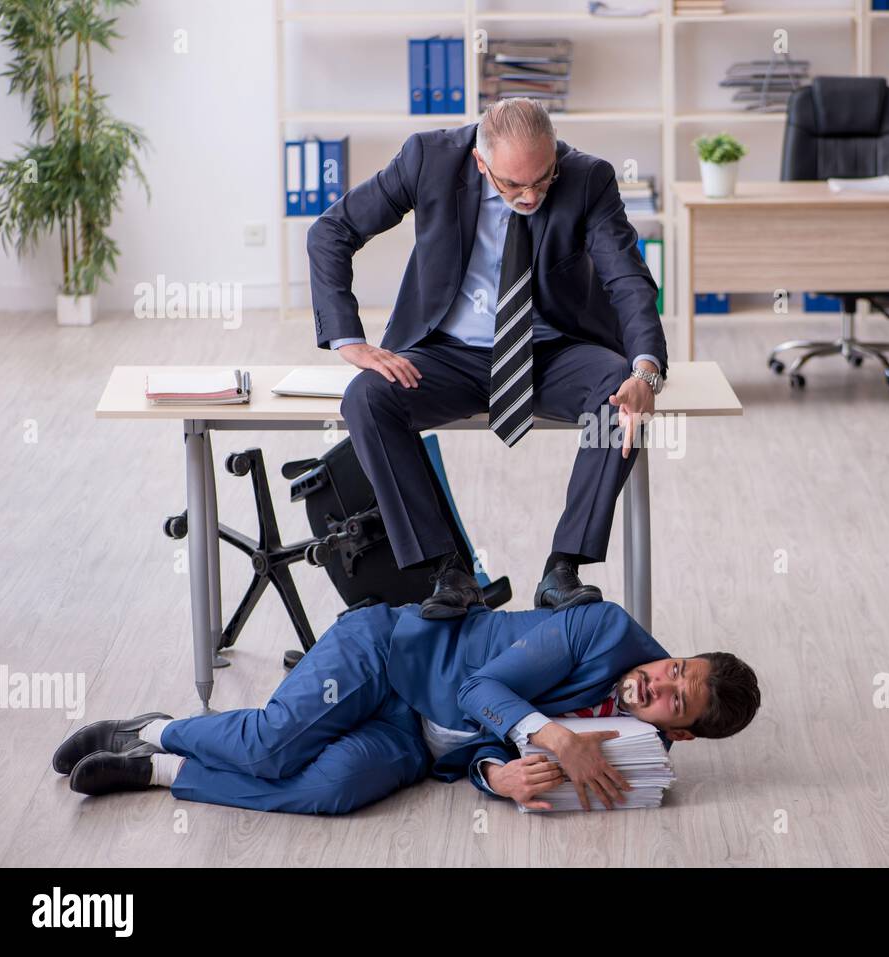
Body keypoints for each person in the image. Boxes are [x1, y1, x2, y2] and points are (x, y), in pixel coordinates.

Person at [308, 97, 667, 619]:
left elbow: (627, 278)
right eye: (512, 185)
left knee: (618, 391)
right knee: (367, 398)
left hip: (550, 350)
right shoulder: (428, 158)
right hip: (448, 353)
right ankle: (447, 571)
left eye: (542, 180)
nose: (529, 196)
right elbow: (331, 231)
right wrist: (349, 340)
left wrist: (645, 370)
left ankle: (563, 569)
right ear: (481, 161)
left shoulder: (589, 178)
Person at [54, 601, 760, 814]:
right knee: (274, 747)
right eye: (676, 668)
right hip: (395, 654)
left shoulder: (639, 757)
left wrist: (503, 780)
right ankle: (154, 726)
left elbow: (494, 748)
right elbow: (483, 690)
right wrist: (554, 736)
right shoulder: (604, 629)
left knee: (331, 790)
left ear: (684, 733)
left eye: (674, 700)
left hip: (423, 746)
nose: (656, 686)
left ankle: (160, 772)